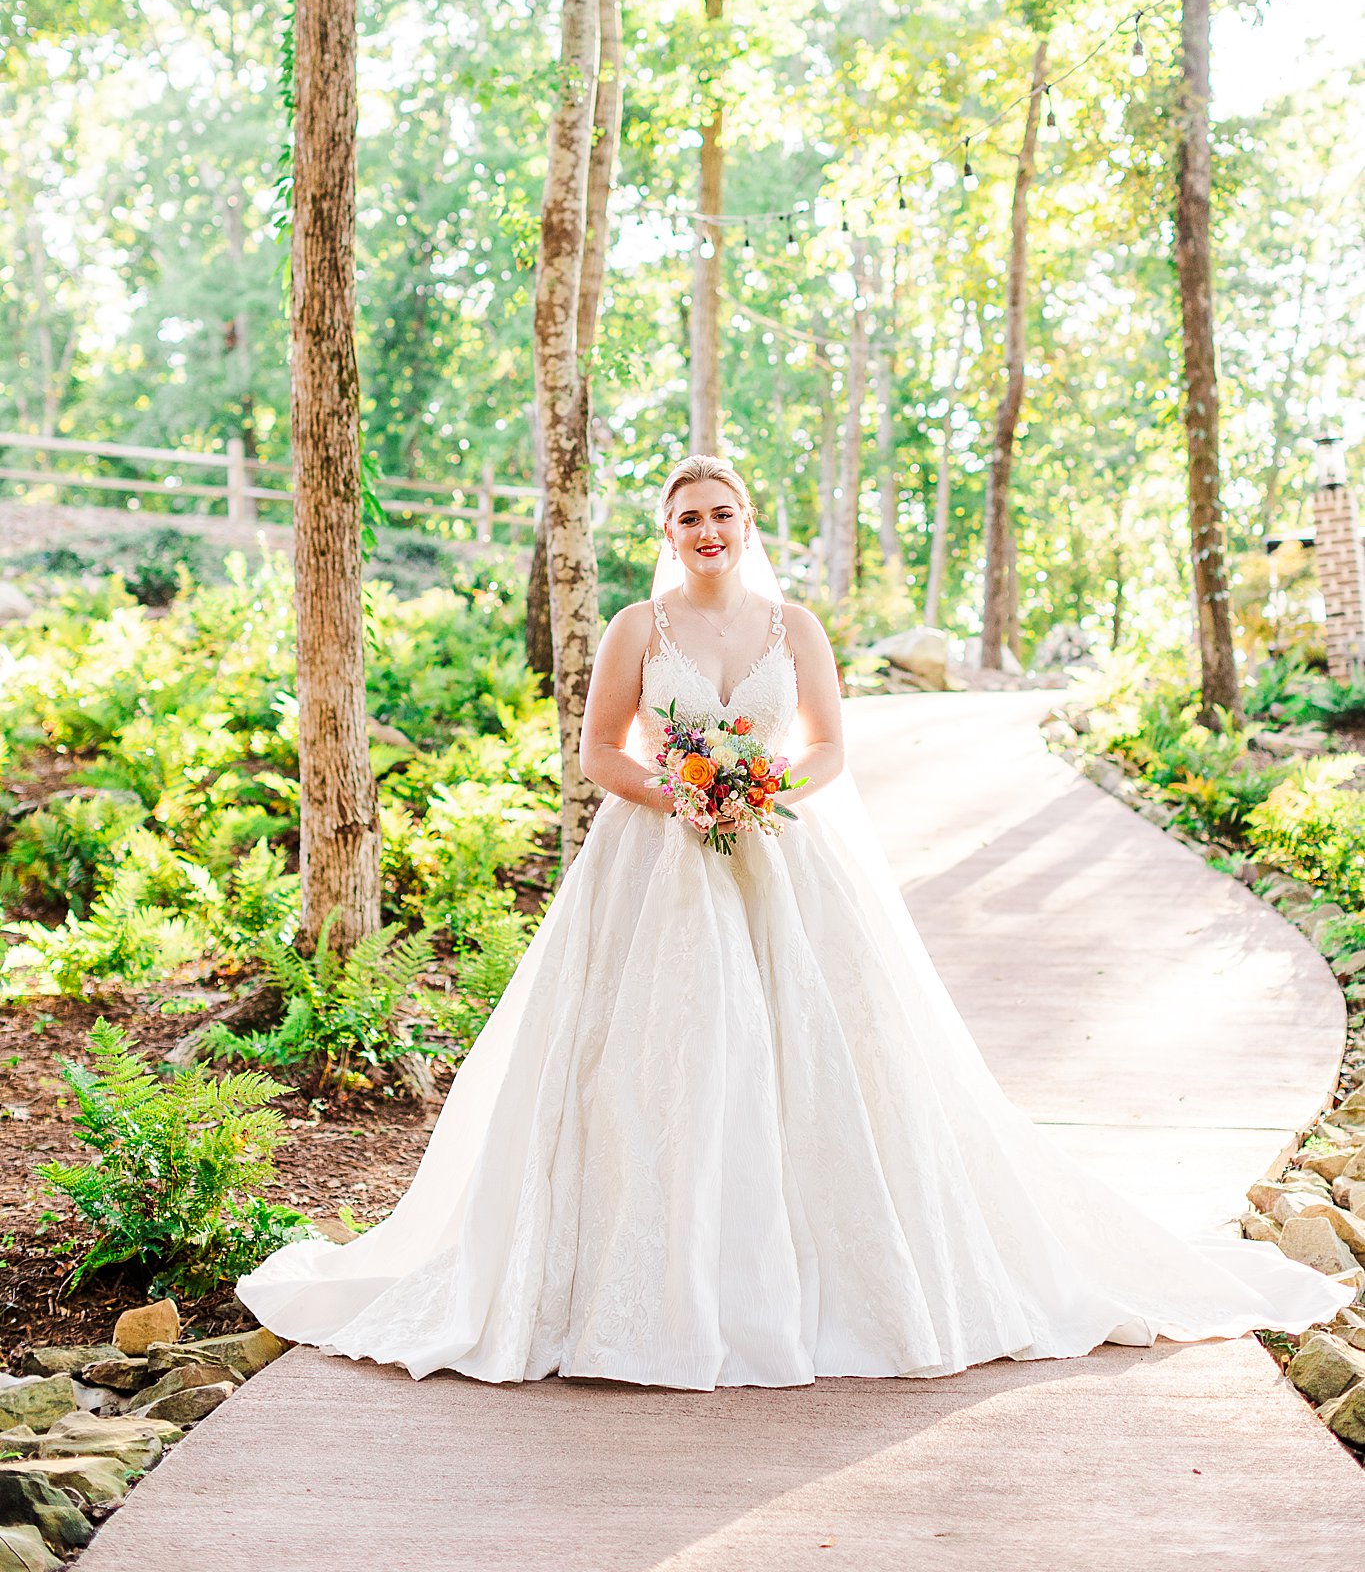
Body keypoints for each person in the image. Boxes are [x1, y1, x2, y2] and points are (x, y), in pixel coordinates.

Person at [237, 453, 1350, 1388]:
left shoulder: (792, 625)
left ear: (746, 524)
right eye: (687, 517)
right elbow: (596, 753)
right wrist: (681, 792)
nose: (706, 529)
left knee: (812, 1054)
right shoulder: (638, 623)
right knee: (649, 1062)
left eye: (722, 513)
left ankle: (819, 1279)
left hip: (777, 850)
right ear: (666, 533)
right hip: (653, 861)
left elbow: (827, 744)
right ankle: (636, 1284)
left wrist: (759, 790)